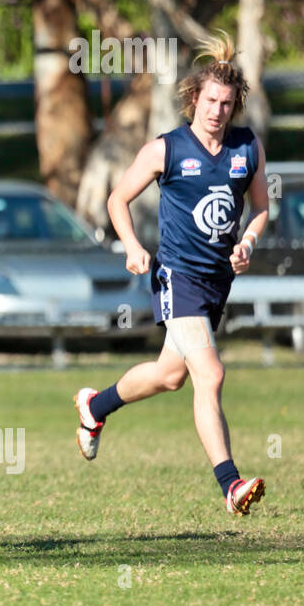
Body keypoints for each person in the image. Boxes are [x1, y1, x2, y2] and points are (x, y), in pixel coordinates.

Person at [74, 32, 269, 516]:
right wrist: (133, 248)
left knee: (169, 376)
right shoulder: (167, 149)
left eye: (226, 103)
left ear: (235, 105)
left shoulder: (248, 149)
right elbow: (116, 200)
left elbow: (262, 209)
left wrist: (246, 242)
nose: (217, 111)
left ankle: (94, 408)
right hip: (176, 276)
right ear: (194, 100)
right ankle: (230, 484)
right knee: (211, 373)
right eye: (209, 101)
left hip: (215, 284)